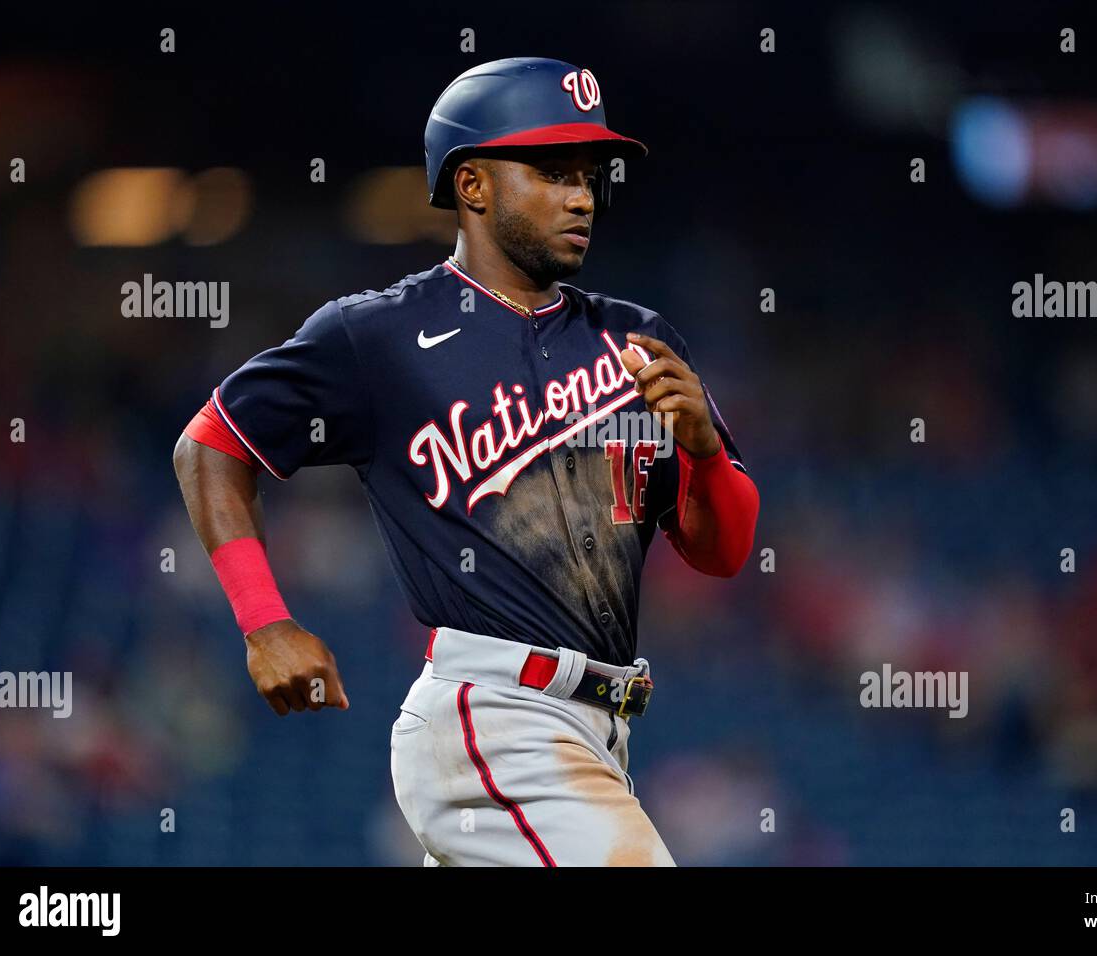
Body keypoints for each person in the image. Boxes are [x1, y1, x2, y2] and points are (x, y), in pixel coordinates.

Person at [173, 57, 759, 866]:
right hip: (496, 717)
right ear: (474, 185)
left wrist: (702, 454)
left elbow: (723, 552)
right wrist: (265, 620)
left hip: (602, 734)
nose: (583, 195)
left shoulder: (638, 338)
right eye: (553, 172)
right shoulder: (373, 336)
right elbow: (212, 444)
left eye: (588, 175)